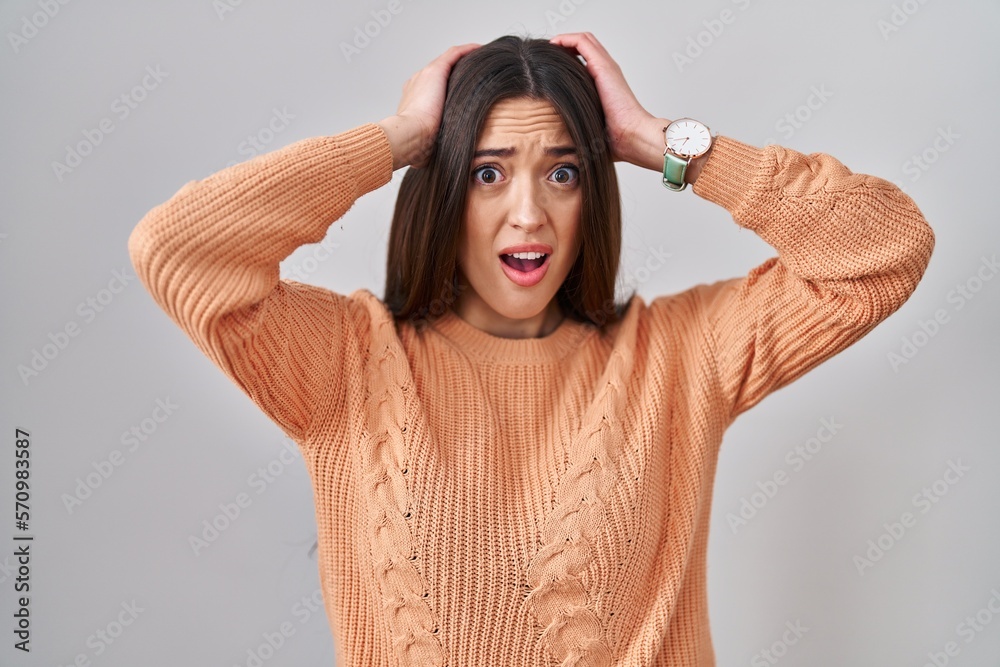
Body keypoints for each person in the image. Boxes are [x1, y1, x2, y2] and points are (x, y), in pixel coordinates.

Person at [128, 32, 934, 667]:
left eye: (562, 173)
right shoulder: (343, 360)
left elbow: (885, 250)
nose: (528, 214)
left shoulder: (683, 353)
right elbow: (177, 250)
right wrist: (400, 138)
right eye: (488, 173)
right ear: (443, 186)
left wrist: (659, 142)